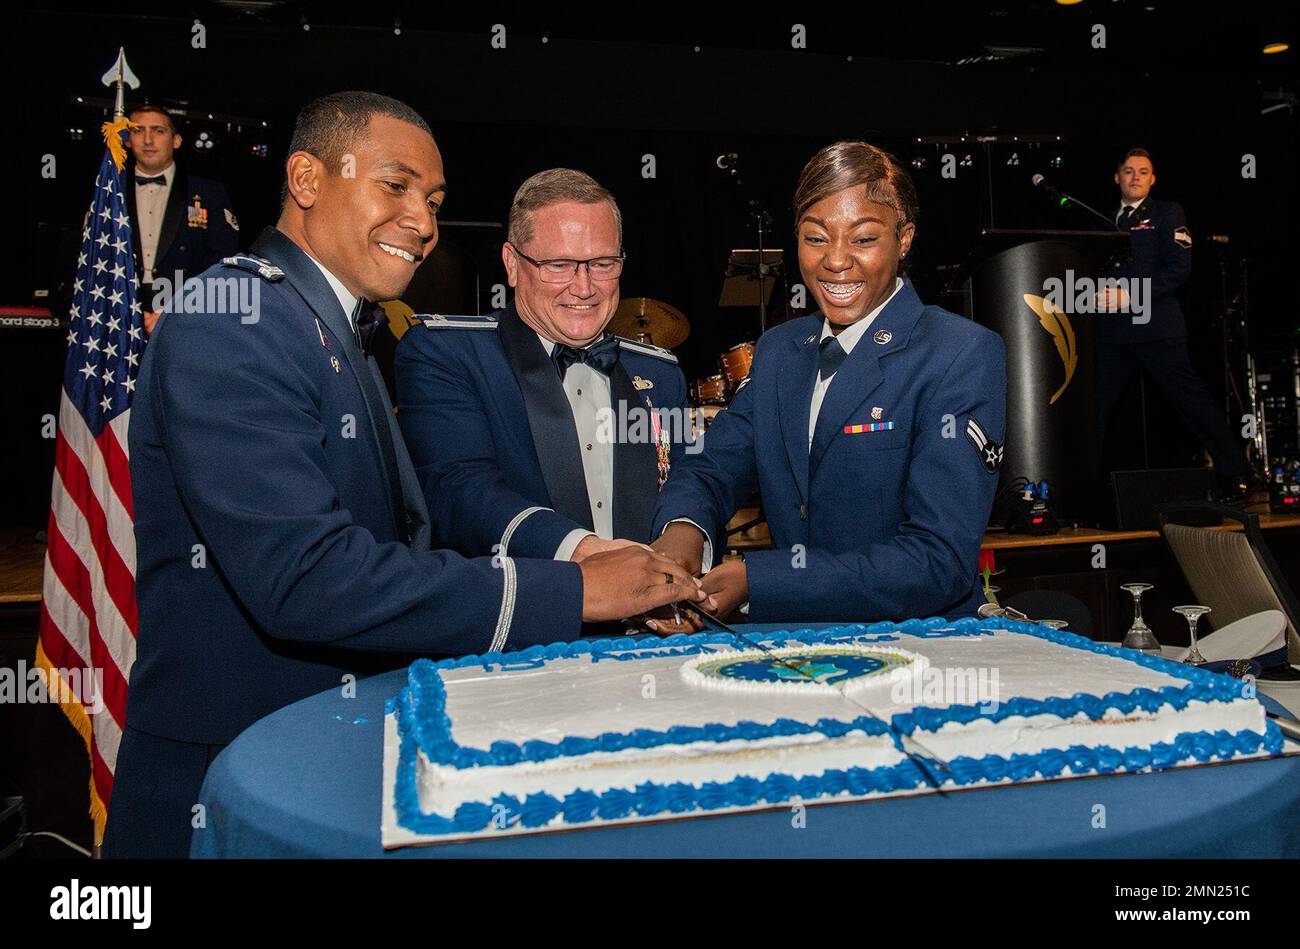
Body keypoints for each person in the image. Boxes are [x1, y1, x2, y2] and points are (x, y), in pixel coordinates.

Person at [104, 92, 706, 858]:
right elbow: (307, 579)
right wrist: (578, 586)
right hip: (226, 784)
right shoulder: (238, 320)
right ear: (307, 178)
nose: (422, 220)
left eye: (434, 199)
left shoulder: (323, 326)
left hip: (313, 753)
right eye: (395, 186)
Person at [651, 141, 1007, 623]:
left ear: (904, 240)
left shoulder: (959, 353)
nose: (835, 261)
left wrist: (759, 581)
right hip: (789, 650)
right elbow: (712, 468)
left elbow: (938, 561)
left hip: (914, 652)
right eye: (816, 238)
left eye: (863, 239)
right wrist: (681, 533)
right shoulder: (779, 350)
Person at [394, 169, 695, 569]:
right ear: (512, 264)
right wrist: (585, 555)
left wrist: (685, 540)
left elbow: (688, 484)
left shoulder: (660, 374)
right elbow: (459, 493)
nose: (585, 287)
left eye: (602, 263)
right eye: (558, 265)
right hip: (525, 619)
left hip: (652, 622)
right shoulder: (446, 353)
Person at [1096, 148, 1255, 500]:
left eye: (1143, 171)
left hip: (1157, 329)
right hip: (1113, 333)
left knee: (1191, 401)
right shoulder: (1104, 220)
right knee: (1094, 406)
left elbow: (1178, 270)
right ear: (1116, 178)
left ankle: (1236, 472)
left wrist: (1131, 296)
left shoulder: (1168, 213)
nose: (1135, 176)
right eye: (1128, 170)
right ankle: (1080, 484)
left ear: (1153, 179)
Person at [124, 103, 240, 334]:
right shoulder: (110, 192)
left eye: (158, 131)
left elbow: (222, 261)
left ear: (176, 140)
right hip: (119, 311)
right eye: (138, 130)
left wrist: (175, 311)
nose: (148, 140)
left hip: (184, 315)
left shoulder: (209, 193)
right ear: (127, 140)